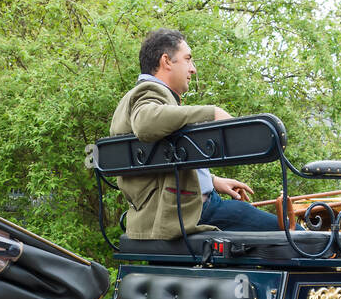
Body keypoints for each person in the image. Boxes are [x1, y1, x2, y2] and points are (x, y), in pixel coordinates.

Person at [109, 28, 282, 239]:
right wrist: (212, 113)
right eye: (188, 59)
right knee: (301, 237)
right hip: (183, 214)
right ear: (166, 61)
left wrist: (211, 180)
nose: (193, 69)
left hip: (162, 212)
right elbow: (145, 123)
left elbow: (160, 159)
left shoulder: (138, 98)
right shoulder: (149, 93)